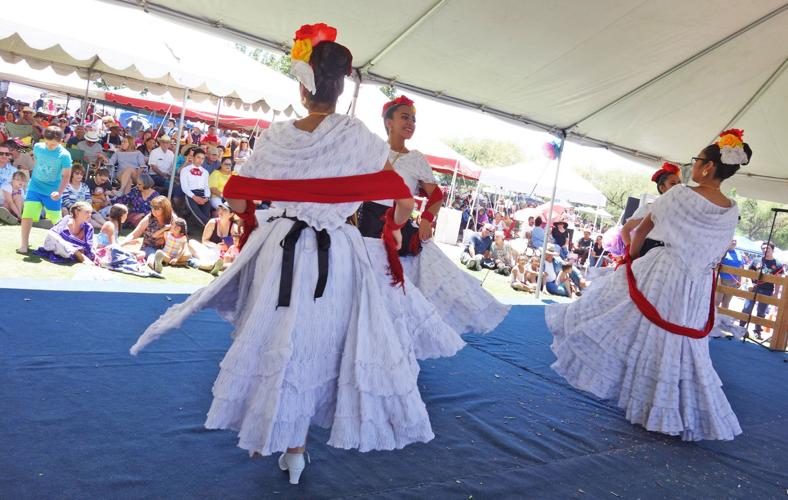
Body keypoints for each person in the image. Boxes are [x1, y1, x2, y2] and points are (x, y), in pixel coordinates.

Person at [130, 25, 464, 486]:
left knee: (276, 337)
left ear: (302, 87)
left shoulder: (275, 138)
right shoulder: (360, 138)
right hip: (338, 253)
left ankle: (274, 432)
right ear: (341, 86)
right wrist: (392, 221)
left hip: (280, 247)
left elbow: (241, 201)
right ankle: (297, 447)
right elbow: (401, 202)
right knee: (318, 345)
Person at [546, 129, 752, 441]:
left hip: (667, 272)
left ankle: (651, 406)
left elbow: (641, 230)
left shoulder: (681, 194)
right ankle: (669, 410)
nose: (692, 166)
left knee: (646, 332)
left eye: (696, 160)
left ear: (708, 167)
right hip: (698, 284)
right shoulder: (731, 208)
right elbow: (719, 251)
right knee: (684, 344)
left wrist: (629, 259)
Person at [17, 126, 72, 255]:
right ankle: (24, 245)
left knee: (56, 220)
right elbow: (35, 158)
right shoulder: (38, 147)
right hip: (35, 187)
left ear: (60, 141)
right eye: (47, 143)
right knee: (27, 215)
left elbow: (66, 175)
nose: (49, 146)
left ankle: (66, 245)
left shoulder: (64, 155)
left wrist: (59, 192)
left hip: (52, 192)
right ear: (44, 139)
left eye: (53, 144)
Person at [621, 162, 682, 255]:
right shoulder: (649, 208)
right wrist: (630, 251)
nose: (678, 187)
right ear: (662, 188)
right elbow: (626, 229)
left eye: (679, 184)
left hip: (672, 254)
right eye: (673, 184)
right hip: (649, 251)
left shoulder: (682, 211)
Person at [739, 242, 784, 339]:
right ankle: (741, 328)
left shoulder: (778, 264)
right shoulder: (756, 260)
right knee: (747, 308)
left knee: (761, 312)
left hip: (767, 290)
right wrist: (750, 284)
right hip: (754, 288)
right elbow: (749, 274)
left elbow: (778, 281)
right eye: (763, 248)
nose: (765, 250)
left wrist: (776, 293)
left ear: (772, 250)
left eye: (767, 248)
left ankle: (757, 331)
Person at [180, 147, 212, 226]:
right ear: (193, 157)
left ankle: (209, 231)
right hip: (191, 195)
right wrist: (194, 197)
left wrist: (207, 198)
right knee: (200, 216)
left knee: (206, 214)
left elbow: (207, 186)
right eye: (198, 157)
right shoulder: (185, 170)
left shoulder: (205, 172)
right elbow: (185, 187)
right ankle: (213, 232)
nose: (200, 160)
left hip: (204, 195)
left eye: (202, 158)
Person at [715, 240, 742, 321]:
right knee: (717, 301)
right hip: (722, 280)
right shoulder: (723, 252)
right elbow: (717, 266)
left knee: (726, 302)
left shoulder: (738, 253)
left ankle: (722, 319)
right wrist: (718, 279)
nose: (734, 242)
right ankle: (713, 319)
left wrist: (740, 280)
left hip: (733, 282)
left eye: (735, 241)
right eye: (732, 240)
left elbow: (741, 268)